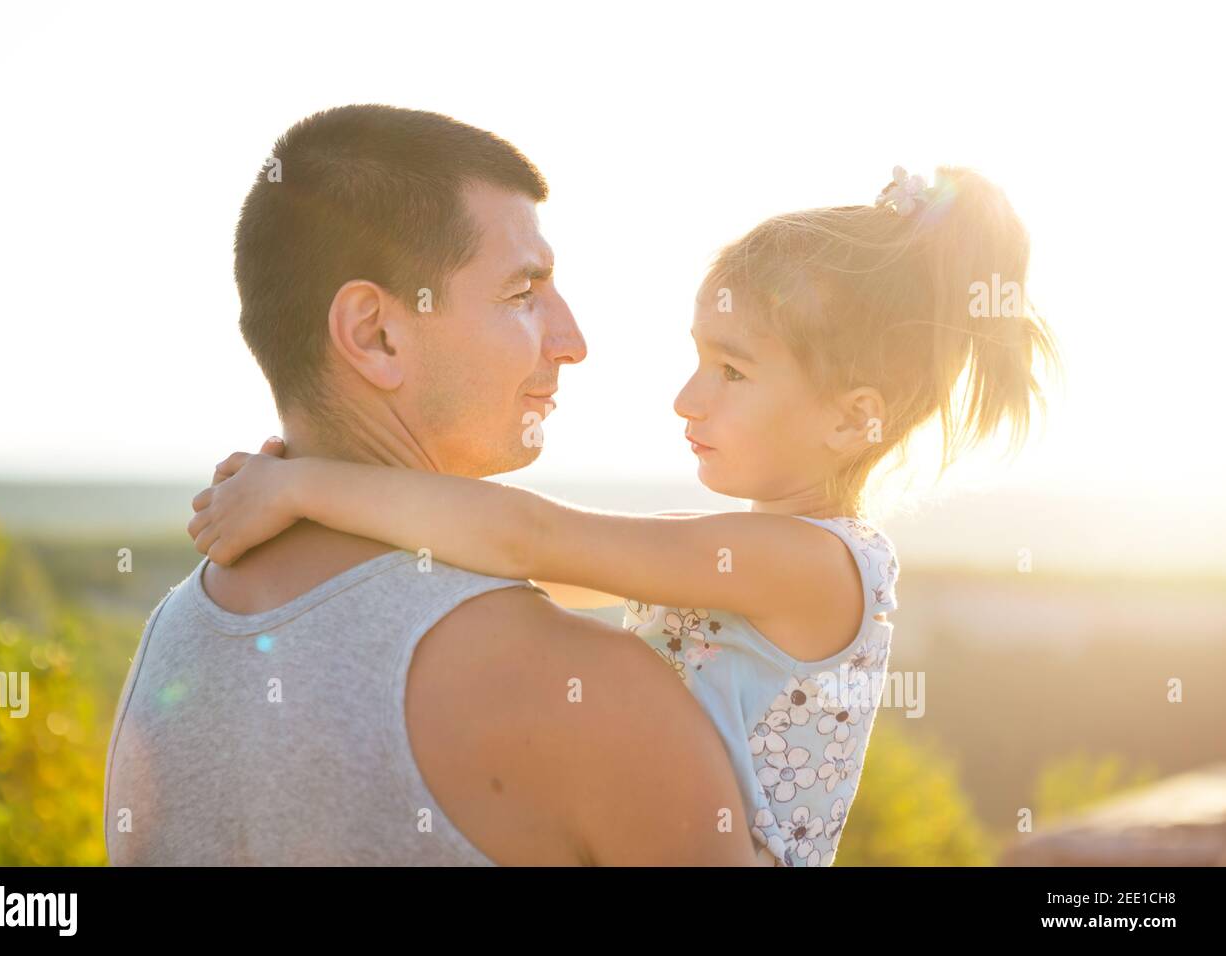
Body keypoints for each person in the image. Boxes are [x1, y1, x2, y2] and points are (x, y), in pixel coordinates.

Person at [187, 165, 1061, 865]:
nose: (687, 399)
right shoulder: (755, 551)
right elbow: (543, 564)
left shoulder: (812, 565)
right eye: (698, 360)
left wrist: (306, 488)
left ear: (848, 415)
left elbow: (534, 538)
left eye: (733, 371)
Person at [103, 104, 758, 866]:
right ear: (378, 335)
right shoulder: (595, 690)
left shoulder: (165, 649)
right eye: (522, 294)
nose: (572, 341)